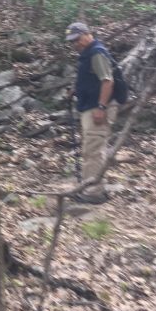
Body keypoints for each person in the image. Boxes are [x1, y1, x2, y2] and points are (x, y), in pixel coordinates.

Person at [66, 21, 118, 204]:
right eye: (72, 41)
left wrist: (101, 107)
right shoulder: (89, 54)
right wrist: (76, 90)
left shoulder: (96, 53)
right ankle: (93, 187)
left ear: (88, 34)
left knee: (93, 150)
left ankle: (93, 192)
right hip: (90, 106)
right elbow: (93, 80)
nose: (75, 44)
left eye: (77, 39)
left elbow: (107, 81)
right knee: (93, 148)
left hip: (97, 108)